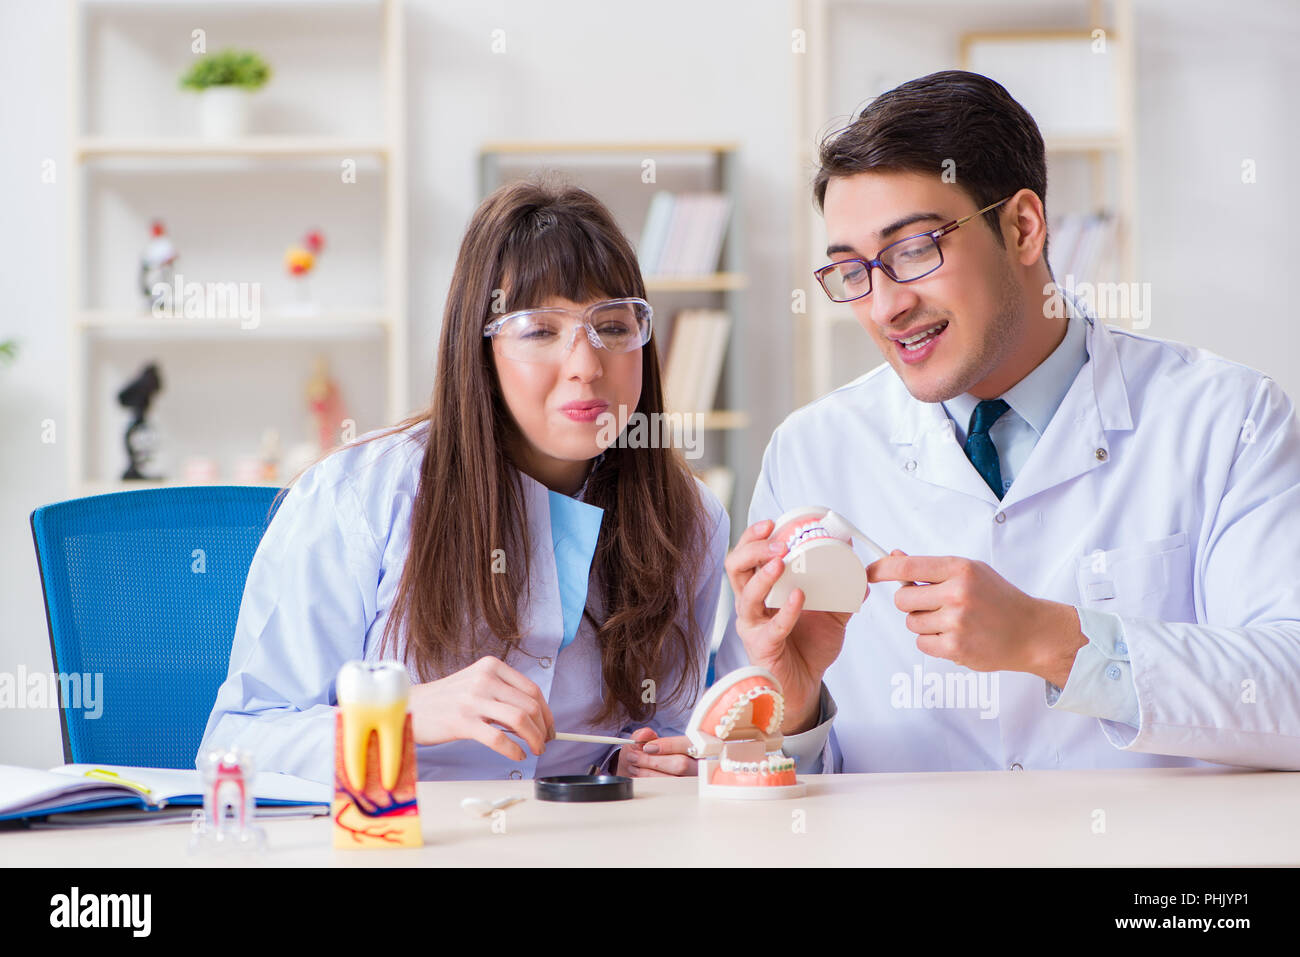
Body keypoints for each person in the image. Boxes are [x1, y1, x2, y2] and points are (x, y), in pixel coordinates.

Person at [718, 70, 1300, 773]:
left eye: (912, 251)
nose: (884, 307)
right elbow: (754, 783)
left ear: (1022, 226)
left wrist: (1053, 640)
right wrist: (795, 706)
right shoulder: (812, 453)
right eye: (853, 270)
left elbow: (1288, 687)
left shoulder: (1227, 419)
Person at [200, 179, 728, 784]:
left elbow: (666, 732)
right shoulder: (361, 494)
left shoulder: (687, 520)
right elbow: (233, 745)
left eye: (611, 327)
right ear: (479, 347)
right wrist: (396, 717)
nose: (586, 365)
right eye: (539, 330)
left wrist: (649, 760)